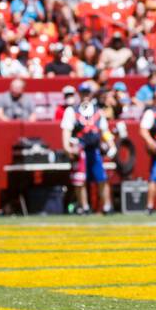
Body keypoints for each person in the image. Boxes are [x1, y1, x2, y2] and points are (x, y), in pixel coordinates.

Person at [62, 82, 114, 215]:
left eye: (87, 93)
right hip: (80, 149)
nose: (85, 96)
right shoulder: (72, 110)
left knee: (101, 178)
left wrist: (111, 144)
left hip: (95, 149)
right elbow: (66, 130)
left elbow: (104, 130)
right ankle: (84, 206)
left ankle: (107, 206)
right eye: (83, 93)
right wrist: (67, 147)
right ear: (79, 94)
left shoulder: (97, 111)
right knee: (80, 180)